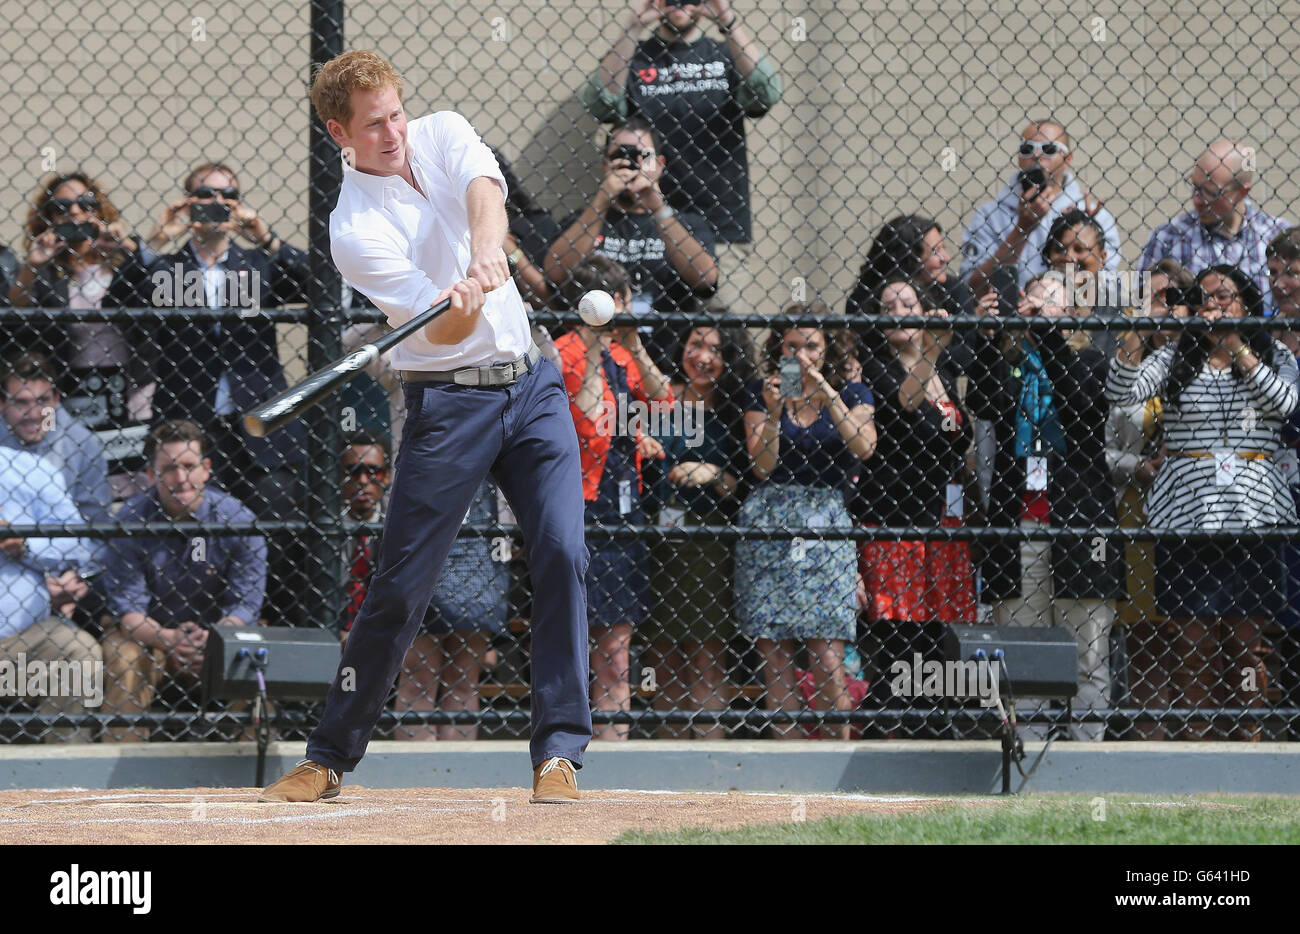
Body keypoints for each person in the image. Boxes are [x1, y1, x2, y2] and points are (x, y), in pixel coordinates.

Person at [262, 50, 592, 805]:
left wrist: (484, 254)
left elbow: (486, 195)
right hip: (450, 402)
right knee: (403, 586)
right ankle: (329, 756)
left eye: (395, 113)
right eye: (372, 125)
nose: (392, 132)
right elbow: (431, 335)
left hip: (533, 384)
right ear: (338, 132)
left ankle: (559, 755)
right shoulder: (353, 228)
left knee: (563, 552)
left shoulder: (441, 132)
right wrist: (458, 310)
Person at [1106, 265, 1298, 741]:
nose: (1213, 307)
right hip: (1186, 509)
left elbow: (1288, 407)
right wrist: (1138, 329)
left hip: (1255, 512)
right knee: (1194, 639)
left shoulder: (1273, 353)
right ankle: (1197, 733)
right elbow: (1120, 393)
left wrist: (1238, 350)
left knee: (1248, 641)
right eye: (1205, 299)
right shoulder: (1176, 357)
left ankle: (1251, 730)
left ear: (1246, 305)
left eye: (1224, 298)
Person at [969, 272, 1124, 741]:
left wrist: (1051, 339)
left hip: (1080, 525)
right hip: (1020, 526)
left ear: (1073, 311)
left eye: (1050, 301)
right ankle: (1028, 752)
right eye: (1032, 299)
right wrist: (986, 339)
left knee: (1087, 652)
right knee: (1024, 651)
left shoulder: (1096, 361)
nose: (1037, 307)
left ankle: (1085, 760)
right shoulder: (1013, 363)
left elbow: (1080, 406)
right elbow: (984, 400)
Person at [737, 309, 876, 739]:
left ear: (827, 350)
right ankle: (789, 762)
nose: (801, 355)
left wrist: (828, 393)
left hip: (827, 522)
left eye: (811, 346)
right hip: (771, 520)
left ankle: (838, 760)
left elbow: (865, 446)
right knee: (775, 650)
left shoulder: (853, 392)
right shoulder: (762, 393)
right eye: (792, 346)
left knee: (827, 647)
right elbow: (762, 466)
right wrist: (777, 412)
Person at [555, 256, 674, 741]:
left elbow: (666, 405)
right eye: (619, 300)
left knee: (619, 642)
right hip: (580, 504)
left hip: (624, 507)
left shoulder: (625, 354)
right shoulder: (564, 351)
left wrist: (635, 345)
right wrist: (590, 341)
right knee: (575, 637)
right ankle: (569, 744)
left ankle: (615, 742)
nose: (623, 308)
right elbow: (585, 423)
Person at [851, 278, 976, 735]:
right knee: (900, 640)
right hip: (894, 519)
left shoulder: (943, 373)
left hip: (943, 523)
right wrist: (931, 351)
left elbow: (960, 440)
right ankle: (882, 733)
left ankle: (931, 732)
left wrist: (937, 354)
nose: (900, 310)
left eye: (909, 302)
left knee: (936, 639)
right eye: (890, 306)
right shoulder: (877, 368)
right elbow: (905, 403)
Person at [99, 420, 266, 742]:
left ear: (206, 469)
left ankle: (251, 769)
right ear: (151, 474)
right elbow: (129, 614)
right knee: (124, 655)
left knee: (259, 652)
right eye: (169, 468)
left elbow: (247, 605)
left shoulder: (239, 519)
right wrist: (171, 639)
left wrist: (214, 638)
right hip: (151, 638)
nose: (181, 478)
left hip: (222, 634)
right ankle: (120, 766)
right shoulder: (130, 521)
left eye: (189, 466)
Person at [337, 431, 507, 741]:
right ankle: (416, 772)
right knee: (418, 673)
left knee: (464, 676)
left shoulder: (495, 413)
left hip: (478, 553)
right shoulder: (422, 397)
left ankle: (457, 775)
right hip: (422, 545)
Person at [581, 0, 782, 248]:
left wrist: (726, 20)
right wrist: (633, 26)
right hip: (644, 220)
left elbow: (767, 94)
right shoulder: (634, 58)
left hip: (721, 220)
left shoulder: (726, 55)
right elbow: (601, 105)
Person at [6, 171, 156, 495]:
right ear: (48, 217)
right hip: (75, 390)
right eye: (62, 207)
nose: (74, 212)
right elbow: (14, 317)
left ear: (99, 211)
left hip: (132, 390)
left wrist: (128, 247)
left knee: (131, 482)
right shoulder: (47, 271)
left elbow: (162, 288)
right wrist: (31, 265)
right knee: (79, 476)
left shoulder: (123, 262)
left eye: (85, 204)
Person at [642, 320, 752, 738]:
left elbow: (745, 480)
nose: (703, 357)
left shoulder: (734, 407)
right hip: (656, 537)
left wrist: (713, 474)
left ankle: (710, 759)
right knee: (663, 654)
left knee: (707, 653)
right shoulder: (658, 397)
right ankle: (670, 765)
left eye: (715, 350)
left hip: (708, 541)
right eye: (696, 344)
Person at [546, 116, 718, 366]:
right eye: (620, 154)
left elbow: (706, 279)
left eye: (641, 155)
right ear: (606, 164)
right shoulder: (585, 220)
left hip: (666, 360)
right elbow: (556, 273)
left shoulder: (686, 224)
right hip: (593, 359)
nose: (630, 162)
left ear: (659, 164)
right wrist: (602, 199)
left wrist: (657, 206)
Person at [1105, 260, 1190, 739]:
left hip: (1194, 506)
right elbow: (1096, 447)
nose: (1168, 309)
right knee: (1145, 632)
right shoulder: (1125, 365)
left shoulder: (1205, 358)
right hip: (1138, 507)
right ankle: (1151, 735)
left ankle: (1202, 732)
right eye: (1158, 299)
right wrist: (1138, 466)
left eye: (1176, 298)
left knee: (1194, 626)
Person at [0, 446, 98, 743]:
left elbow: (78, 544)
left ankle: (65, 777)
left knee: (81, 652)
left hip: (20, 640)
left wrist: (26, 544)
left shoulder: (30, 469)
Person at [961, 120, 1121, 296]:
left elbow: (1107, 287)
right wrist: (1021, 230)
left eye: (1049, 149)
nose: (1037, 155)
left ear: (1067, 159)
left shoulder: (1095, 216)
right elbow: (971, 285)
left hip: (1072, 316)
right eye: (1027, 149)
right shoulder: (990, 215)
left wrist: (1085, 231)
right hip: (1009, 317)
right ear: (1019, 157)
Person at [1138, 140, 1290, 300]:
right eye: (1195, 187)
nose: (1197, 199)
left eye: (1210, 192)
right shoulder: (1168, 238)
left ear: (1242, 192)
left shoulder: (1276, 234)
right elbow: (1141, 306)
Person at [0, 351, 111, 524]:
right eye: (21, 402)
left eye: (43, 401)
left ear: (56, 399)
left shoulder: (80, 443)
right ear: (2, 403)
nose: (34, 414)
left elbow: (97, 525)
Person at [846, 215, 974, 319]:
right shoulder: (863, 300)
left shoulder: (954, 291)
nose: (946, 258)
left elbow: (966, 347)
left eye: (943, 248)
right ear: (909, 260)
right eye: (935, 251)